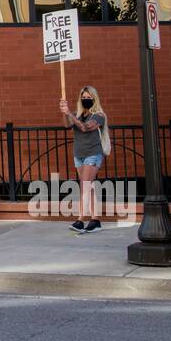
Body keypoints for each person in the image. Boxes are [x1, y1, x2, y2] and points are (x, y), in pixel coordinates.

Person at [61, 86, 109, 233]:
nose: (86, 100)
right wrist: (65, 111)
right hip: (79, 154)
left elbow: (85, 128)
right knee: (90, 186)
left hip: (93, 153)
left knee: (85, 186)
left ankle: (81, 220)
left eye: (89, 98)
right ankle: (95, 220)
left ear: (94, 99)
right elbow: (67, 124)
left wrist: (70, 113)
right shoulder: (78, 114)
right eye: (84, 97)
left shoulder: (99, 115)